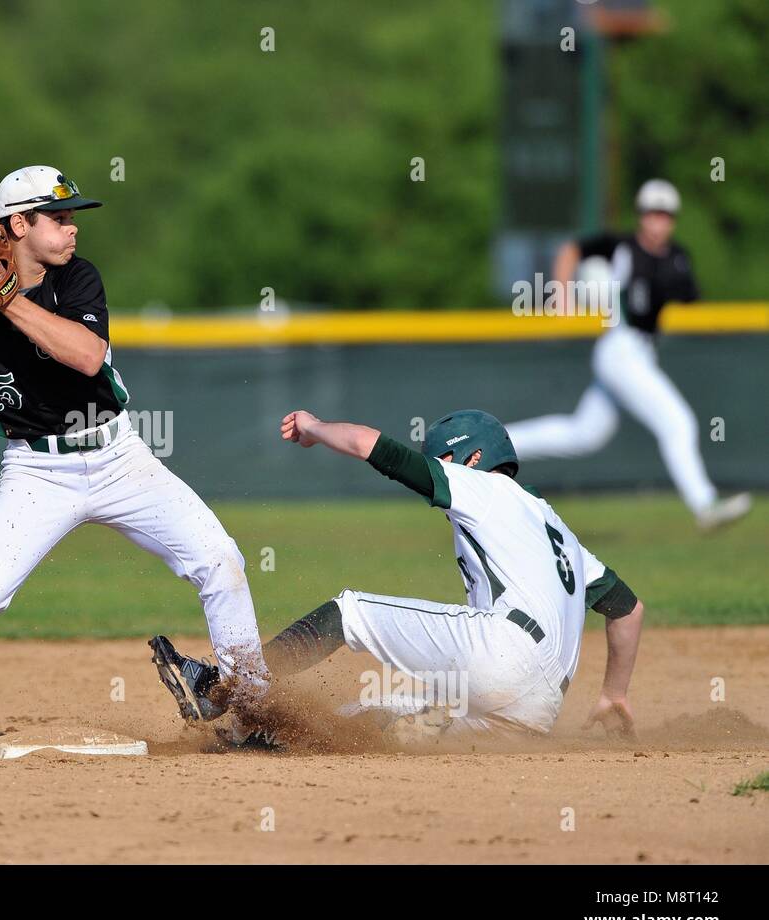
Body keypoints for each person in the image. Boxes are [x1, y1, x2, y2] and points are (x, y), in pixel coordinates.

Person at [0, 165, 267, 757]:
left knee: (221, 562)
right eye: (58, 219)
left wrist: (7, 300)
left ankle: (251, 709)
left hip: (119, 458)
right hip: (37, 471)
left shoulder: (77, 280)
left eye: (71, 218)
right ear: (19, 225)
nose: (72, 230)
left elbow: (87, 356)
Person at [153, 409, 645, 742]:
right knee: (368, 718)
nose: (437, 468)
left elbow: (376, 448)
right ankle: (266, 736)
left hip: (503, 652)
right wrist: (613, 695)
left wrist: (316, 427)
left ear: (474, 459)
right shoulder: (553, 525)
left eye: (444, 459)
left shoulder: (482, 488)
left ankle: (227, 688)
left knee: (350, 612)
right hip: (537, 711)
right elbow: (627, 608)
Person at [505, 179, 751, 531]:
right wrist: (561, 293)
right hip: (620, 349)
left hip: (643, 354)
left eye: (664, 214)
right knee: (677, 421)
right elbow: (571, 250)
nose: (658, 220)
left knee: (585, 433)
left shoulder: (678, 258)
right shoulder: (622, 246)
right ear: (641, 216)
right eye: (652, 212)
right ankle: (704, 503)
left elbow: (693, 306)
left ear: (673, 219)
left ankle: (496, 440)